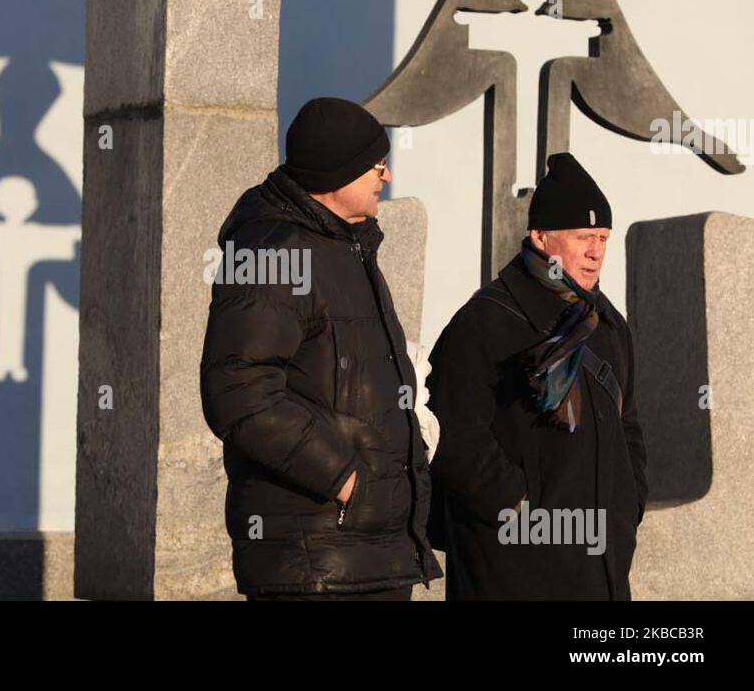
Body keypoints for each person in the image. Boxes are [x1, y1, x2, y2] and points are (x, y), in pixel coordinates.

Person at [200, 97, 442, 600]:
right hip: (315, 557)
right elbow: (238, 390)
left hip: (367, 550)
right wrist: (346, 478)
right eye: (377, 166)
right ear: (339, 173)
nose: (387, 177)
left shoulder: (347, 246)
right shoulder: (275, 251)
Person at [426, 152, 648, 600]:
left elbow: (630, 427)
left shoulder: (608, 324)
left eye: (604, 237)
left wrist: (629, 501)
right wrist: (520, 509)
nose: (596, 251)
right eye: (584, 236)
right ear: (541, 237)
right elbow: (453, 435)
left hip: (601, 568)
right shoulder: (485, 321)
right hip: (511, 571)